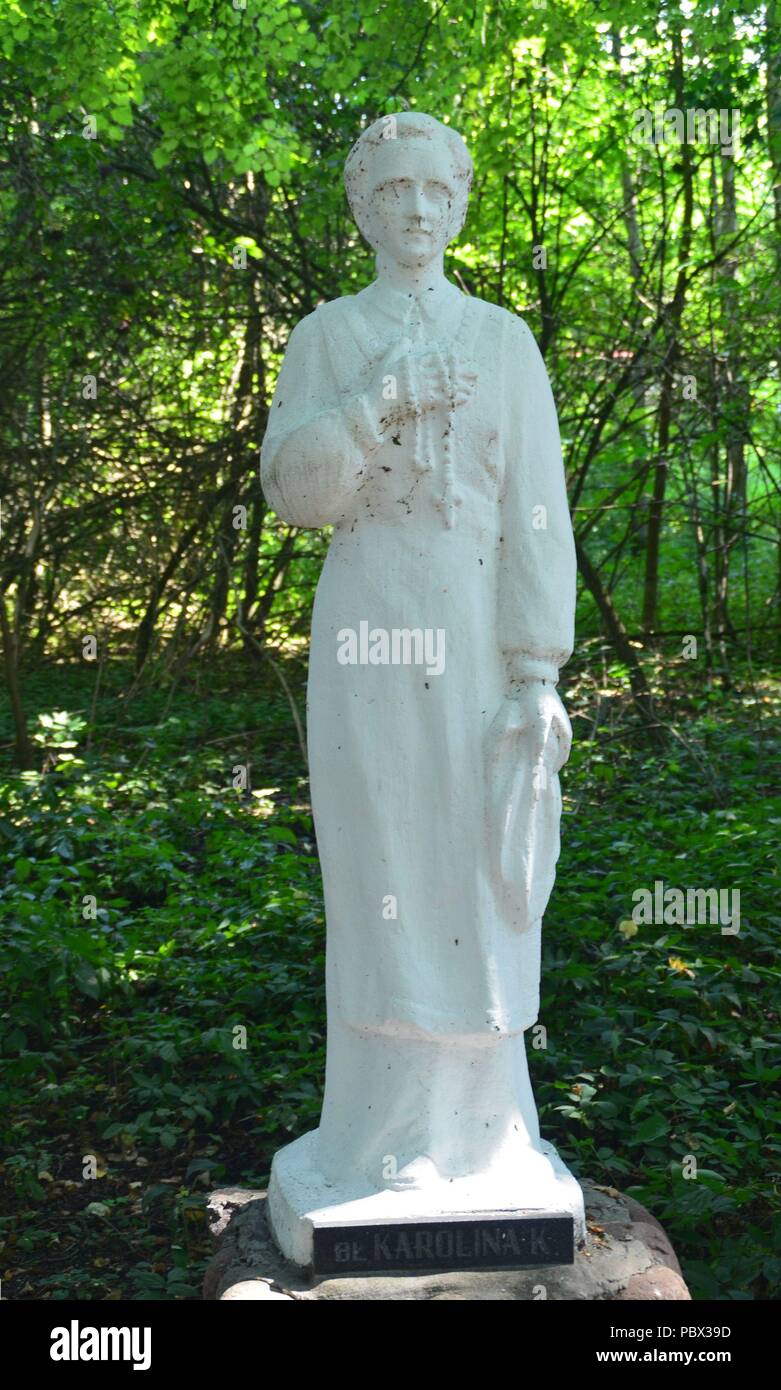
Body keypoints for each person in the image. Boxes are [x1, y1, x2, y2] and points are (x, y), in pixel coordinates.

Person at [261, 112, 578, 1207]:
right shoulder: (325, 336)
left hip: (473, 633)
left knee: (477, 877)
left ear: (458, 202)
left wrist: (537, 669)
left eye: (434, 190)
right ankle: (374, 1132)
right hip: (365, 630)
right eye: (391, 190)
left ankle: (484, 1139)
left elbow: (537, 513)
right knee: (380, 870)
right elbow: (297, 494)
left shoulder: (503, 341)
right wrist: (379, 401)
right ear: (361, 207)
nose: (415, 210)